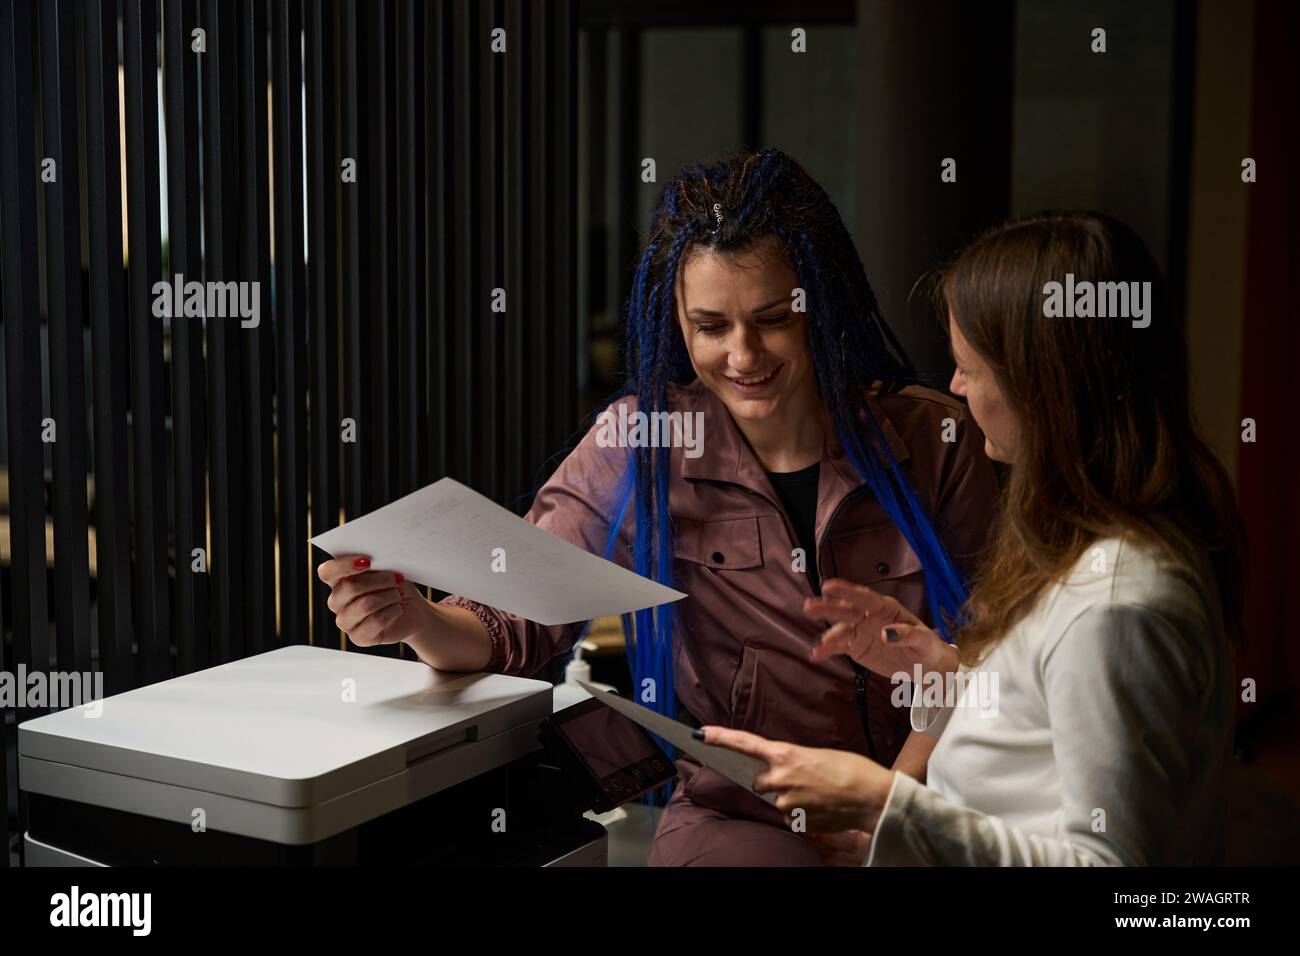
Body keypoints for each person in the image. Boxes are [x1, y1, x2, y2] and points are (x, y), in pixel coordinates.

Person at [317, 148, 1001, 866]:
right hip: (744, 812)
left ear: (818, 303)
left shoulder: (936, 439)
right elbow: (515, 622)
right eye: (710, 326)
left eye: (772, 319)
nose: (742, 355)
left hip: (922, 801)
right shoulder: (642, 442)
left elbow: (988, 653)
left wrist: (887, 809)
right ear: (673, 320)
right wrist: (416, 619)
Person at [701, 210, 1246, 865]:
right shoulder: (1089, 548)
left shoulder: (1116, 606)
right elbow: (1045, 736)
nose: (956, 387)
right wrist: (946, 675)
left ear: (1044, 387)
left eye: (971, 367)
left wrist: (886, 803)